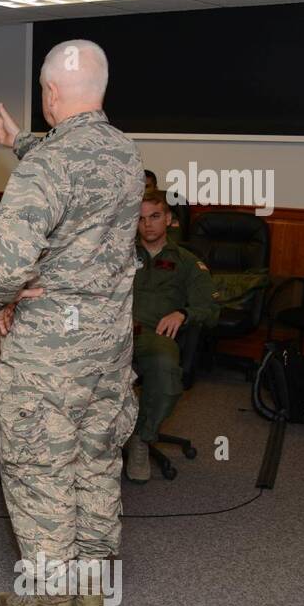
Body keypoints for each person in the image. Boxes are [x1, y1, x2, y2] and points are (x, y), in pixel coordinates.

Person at [0, 38, 143, 606]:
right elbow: (80, 169)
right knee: (96, 459)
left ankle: (49, 600)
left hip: (50, 351)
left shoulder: (44, 166)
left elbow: (3, 266)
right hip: (110, 345)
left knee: (40, 464)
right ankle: (92, 592)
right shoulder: (126, 154)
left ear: (50, 93)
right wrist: (18, 139)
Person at [125, 190, 220, 482]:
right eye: (140, 219)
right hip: (112, 333)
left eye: (155, 217)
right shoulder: (118, 254)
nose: (148, 225)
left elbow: (211, 306)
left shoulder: (187, 262)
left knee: (166, 373)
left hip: (154, 336)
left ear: (168, 219)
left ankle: (142, 437)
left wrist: (184, 313)